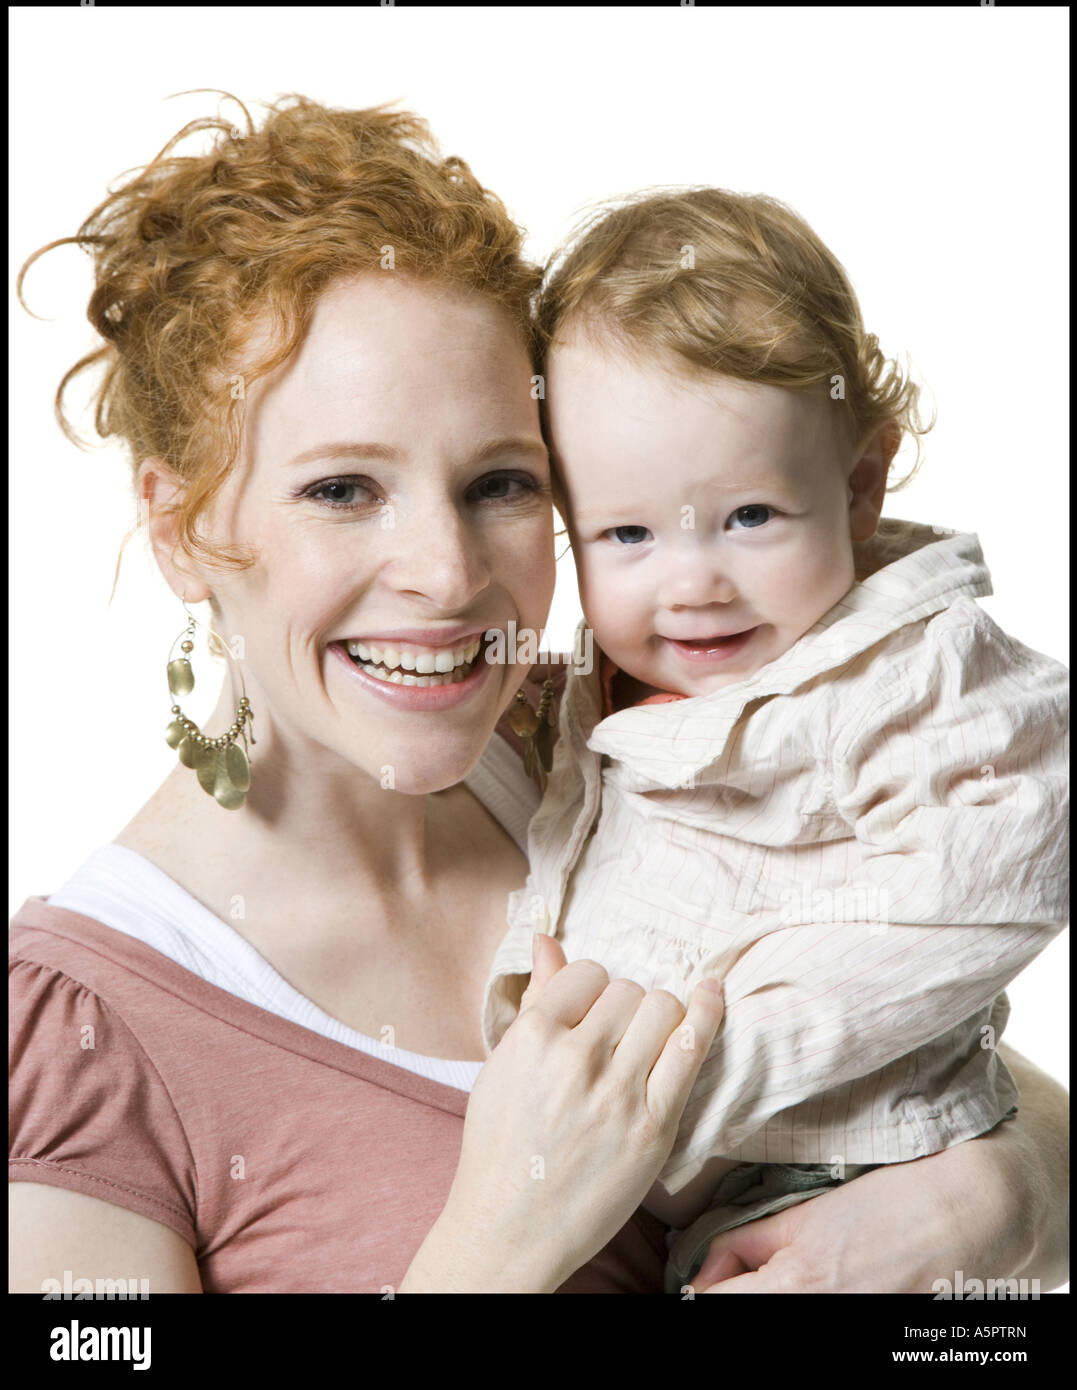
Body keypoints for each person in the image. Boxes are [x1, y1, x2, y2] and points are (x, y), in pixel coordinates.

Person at [9, 94, 1069, 1294]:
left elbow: (944, 1054)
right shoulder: (88, 1030)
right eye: (343, 489)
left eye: (499, 482)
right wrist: (500, 1245)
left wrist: (990, 1199)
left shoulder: (613, 745)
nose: (448, 574)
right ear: (180, 526)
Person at [479, 187, 1070, 1292]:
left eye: (749, 515)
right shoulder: (610, 682)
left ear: (858, 483)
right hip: (708, 1196)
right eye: (627, 533)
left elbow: (1005, 865)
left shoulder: (911, 667)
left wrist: (714, 1068)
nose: (694, 581)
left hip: (865, 1157)